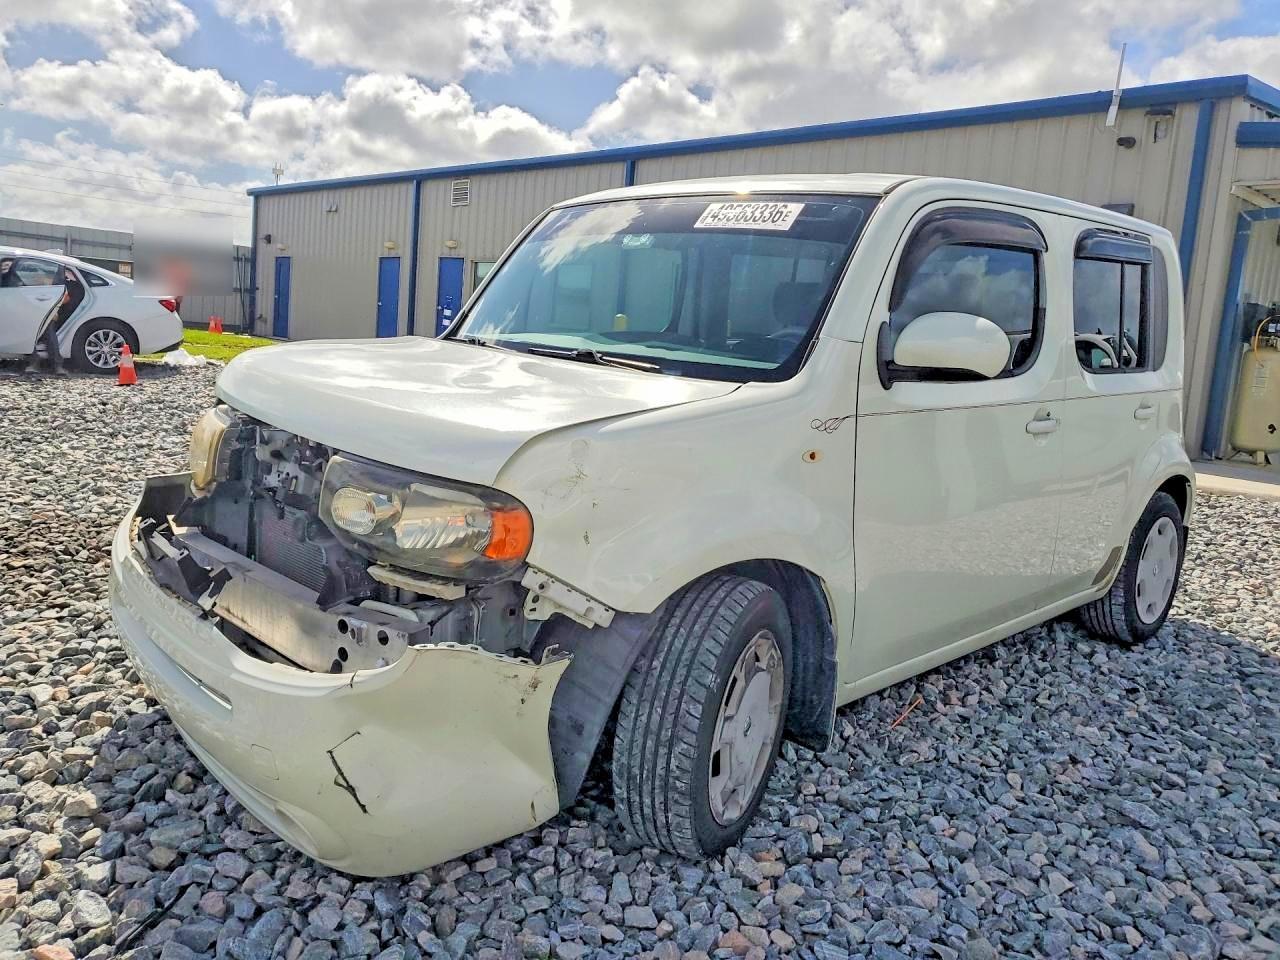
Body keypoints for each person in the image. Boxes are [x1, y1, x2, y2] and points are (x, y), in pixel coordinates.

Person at [27, 268, 83, 375]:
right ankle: (37, 362)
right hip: (31, 315)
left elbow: (66, 298)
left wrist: (52, 308)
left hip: (48, 315)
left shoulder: (57, 285)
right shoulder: (29, 285)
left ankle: (55, 365)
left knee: (48, 330)